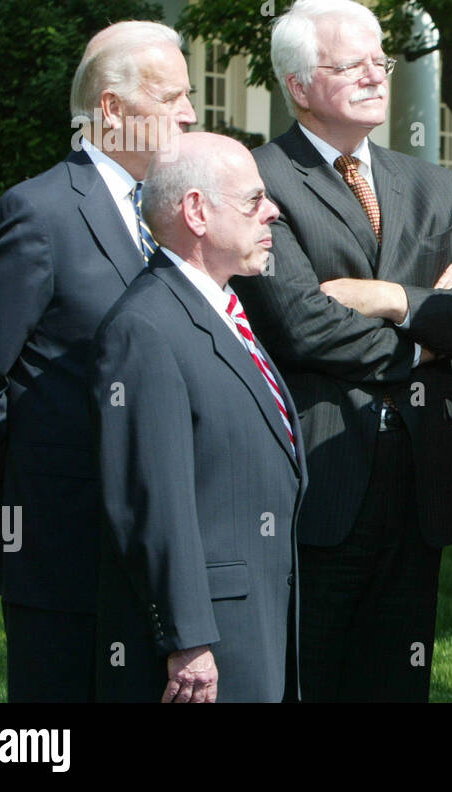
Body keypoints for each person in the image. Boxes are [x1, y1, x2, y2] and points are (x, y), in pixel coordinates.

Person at [231, 0, 452, 702]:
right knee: (309, 677)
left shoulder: (433, 184)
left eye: (381, 60)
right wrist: (426, 337)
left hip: (421, 475)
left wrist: (393, 300)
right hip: (318, 475)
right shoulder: (260, 181)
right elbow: (300, 323)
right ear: (301, 87)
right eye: (353, 65)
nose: (377, 75)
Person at [0, 20, 196, 701]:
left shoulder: (178, 216)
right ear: (112, 109)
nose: (192, 114)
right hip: (62, 546)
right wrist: (12, 492)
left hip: (164, 544)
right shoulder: (39, 212)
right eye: (172, 98)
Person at [92, 132, 303, 703]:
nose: (273, 212)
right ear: (196, 212)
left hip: (254, 616)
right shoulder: (147, 327)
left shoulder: (219, 307)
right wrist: (187, 641)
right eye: (253, 201)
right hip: (211, 639)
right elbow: (150, 499)